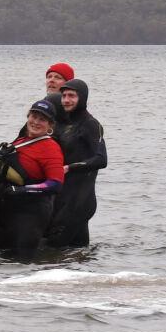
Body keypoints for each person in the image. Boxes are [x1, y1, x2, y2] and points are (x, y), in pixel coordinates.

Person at [0, 98, 66, 259]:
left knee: (19, 267)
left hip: (29, 219)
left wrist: (23, 190)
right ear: (28, 116)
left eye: (42, 119)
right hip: (4, 216)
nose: (36, 122)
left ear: (50, 126)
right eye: (33, 116)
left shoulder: (51, 148)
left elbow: (55, 184)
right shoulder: (19, 142)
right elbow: (0, 180)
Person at [47, 79, 107, 248]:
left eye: (71, 96)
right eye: (64, 95)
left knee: (54, 248)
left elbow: (101, 159)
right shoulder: (64, 125)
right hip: (63, 199)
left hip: (80, 201)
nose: (66, 100)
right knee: (79, 252)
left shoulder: (91, 124)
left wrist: (69, 167)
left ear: (83, 98)